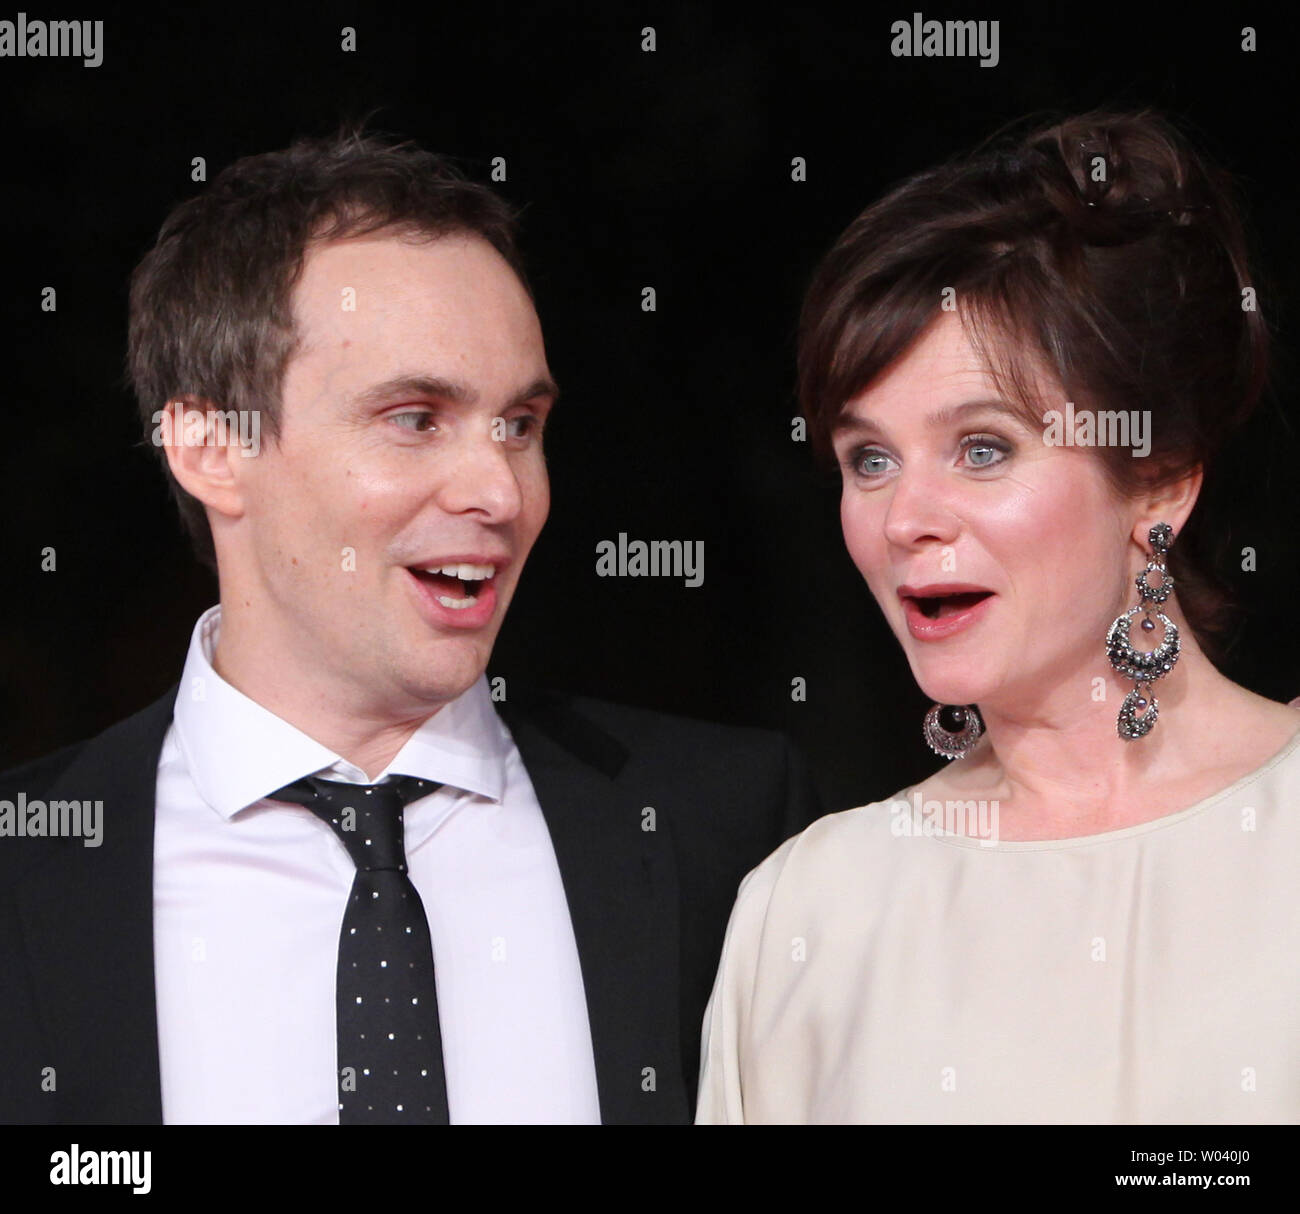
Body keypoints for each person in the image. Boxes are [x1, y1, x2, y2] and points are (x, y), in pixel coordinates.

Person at [0, 125, 821, 1125]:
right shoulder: (26, 870)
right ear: (212, 446)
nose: (500, 491)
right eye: (414, 417)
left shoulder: (726, 828)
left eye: (519, 425)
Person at [696, 108, 1300, 1124]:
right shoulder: (811, 908)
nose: (907, 520)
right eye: (868, 461)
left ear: (1157, 481)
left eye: (982, 448)